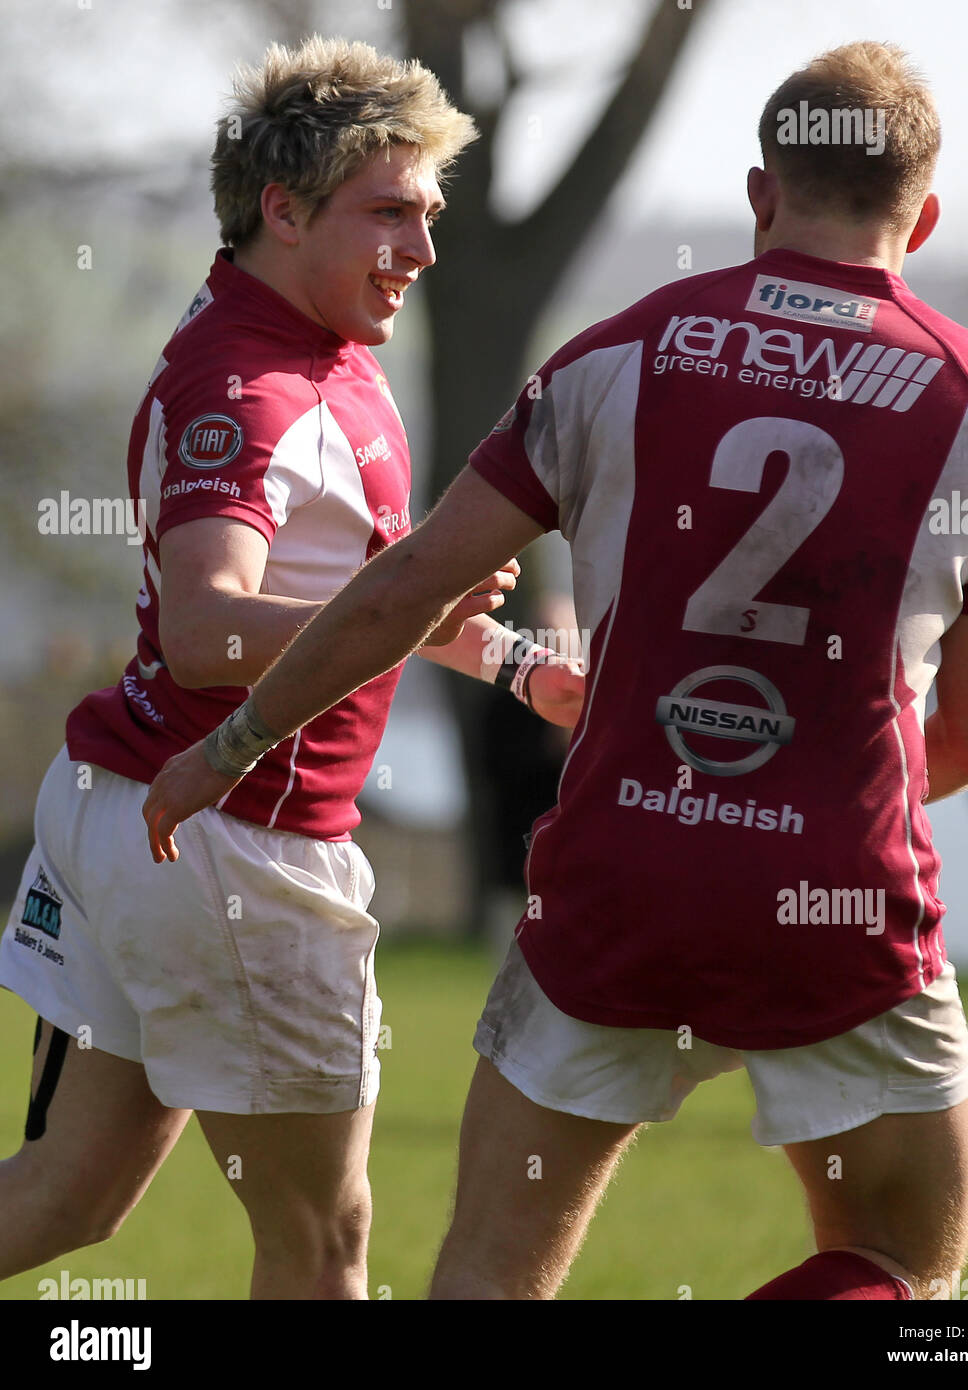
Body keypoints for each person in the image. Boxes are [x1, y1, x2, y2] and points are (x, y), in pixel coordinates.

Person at [143, 41, 968, 1300]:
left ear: (758, 194)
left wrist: (220, 748)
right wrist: (793, 803)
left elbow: (403, 591)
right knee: (899, 1262)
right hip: (839, 900)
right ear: (926, 214)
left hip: (616, 878)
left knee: (491, 1270)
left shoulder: (614, 357)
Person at [0, 35, 581, 1300]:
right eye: (390, 213)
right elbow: (214, 628)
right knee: (324, 1247)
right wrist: (415, 609)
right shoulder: (250, 387)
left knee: (68, 1194)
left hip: (138, 816)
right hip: (223, 842)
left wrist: (524, 665)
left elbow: (374, 603)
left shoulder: (339, 365)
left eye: (430, 214)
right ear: (283, 207)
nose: (421, 250)